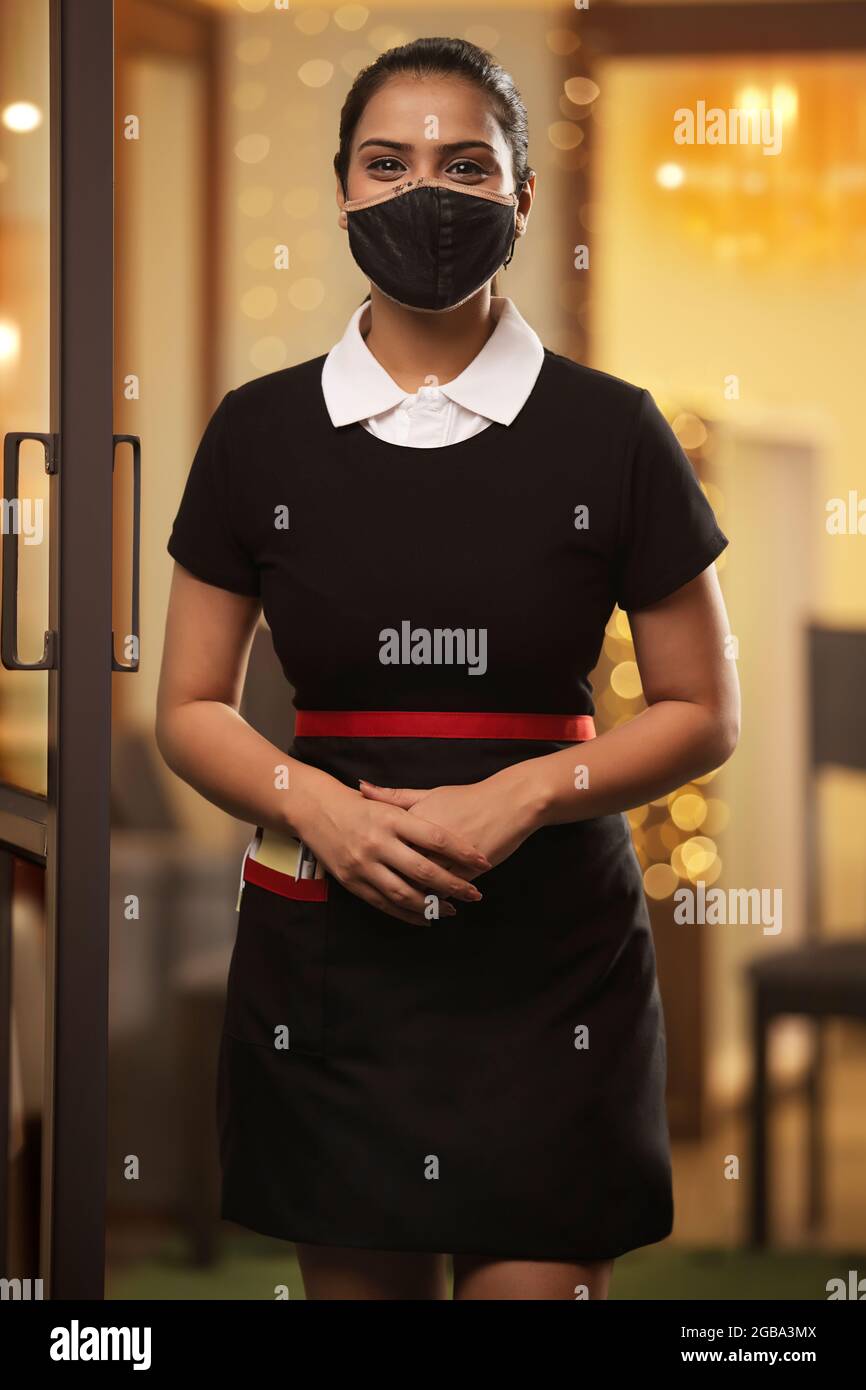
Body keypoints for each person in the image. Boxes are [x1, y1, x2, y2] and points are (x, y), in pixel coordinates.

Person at [156, 37, 740, 1301]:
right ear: (343, 191)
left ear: (521, 196)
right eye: (389, 162)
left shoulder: (612, 431)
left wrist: (524, 793)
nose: (426, 190)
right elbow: (190, 709)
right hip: (331, 957)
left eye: (465, 164)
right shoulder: (257, 432)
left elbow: (702, 712)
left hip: (550, 962)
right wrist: (311, 804)